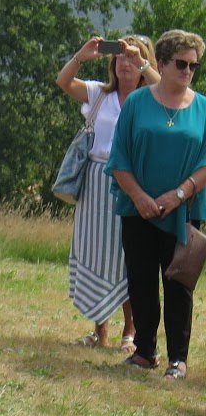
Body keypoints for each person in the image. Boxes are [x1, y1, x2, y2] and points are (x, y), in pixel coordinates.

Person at [106, 29, 206, 380]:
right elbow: (119, 158)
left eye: (194, 65)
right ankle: (145, 351)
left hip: (184, 212)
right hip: (138, 210)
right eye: (181, 63)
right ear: (161, 64)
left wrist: (177, 195)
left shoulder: (204, 108)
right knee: (141, 282)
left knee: (179, 284)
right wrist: (140, 198)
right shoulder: (136, 103)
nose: (188, 71)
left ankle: (178, 359)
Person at [55, 35, 158, 349]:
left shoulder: (153, 97)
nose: (125, 62)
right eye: (120, 56)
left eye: (133, 57)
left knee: (129, 256)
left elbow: (168, 85)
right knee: (97, 254)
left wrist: (142, 61)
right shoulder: (99, 93)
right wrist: (82, 55)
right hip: (96, 184)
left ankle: (130, 330)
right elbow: (63, 81)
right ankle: (100, 329)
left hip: (133, 185)